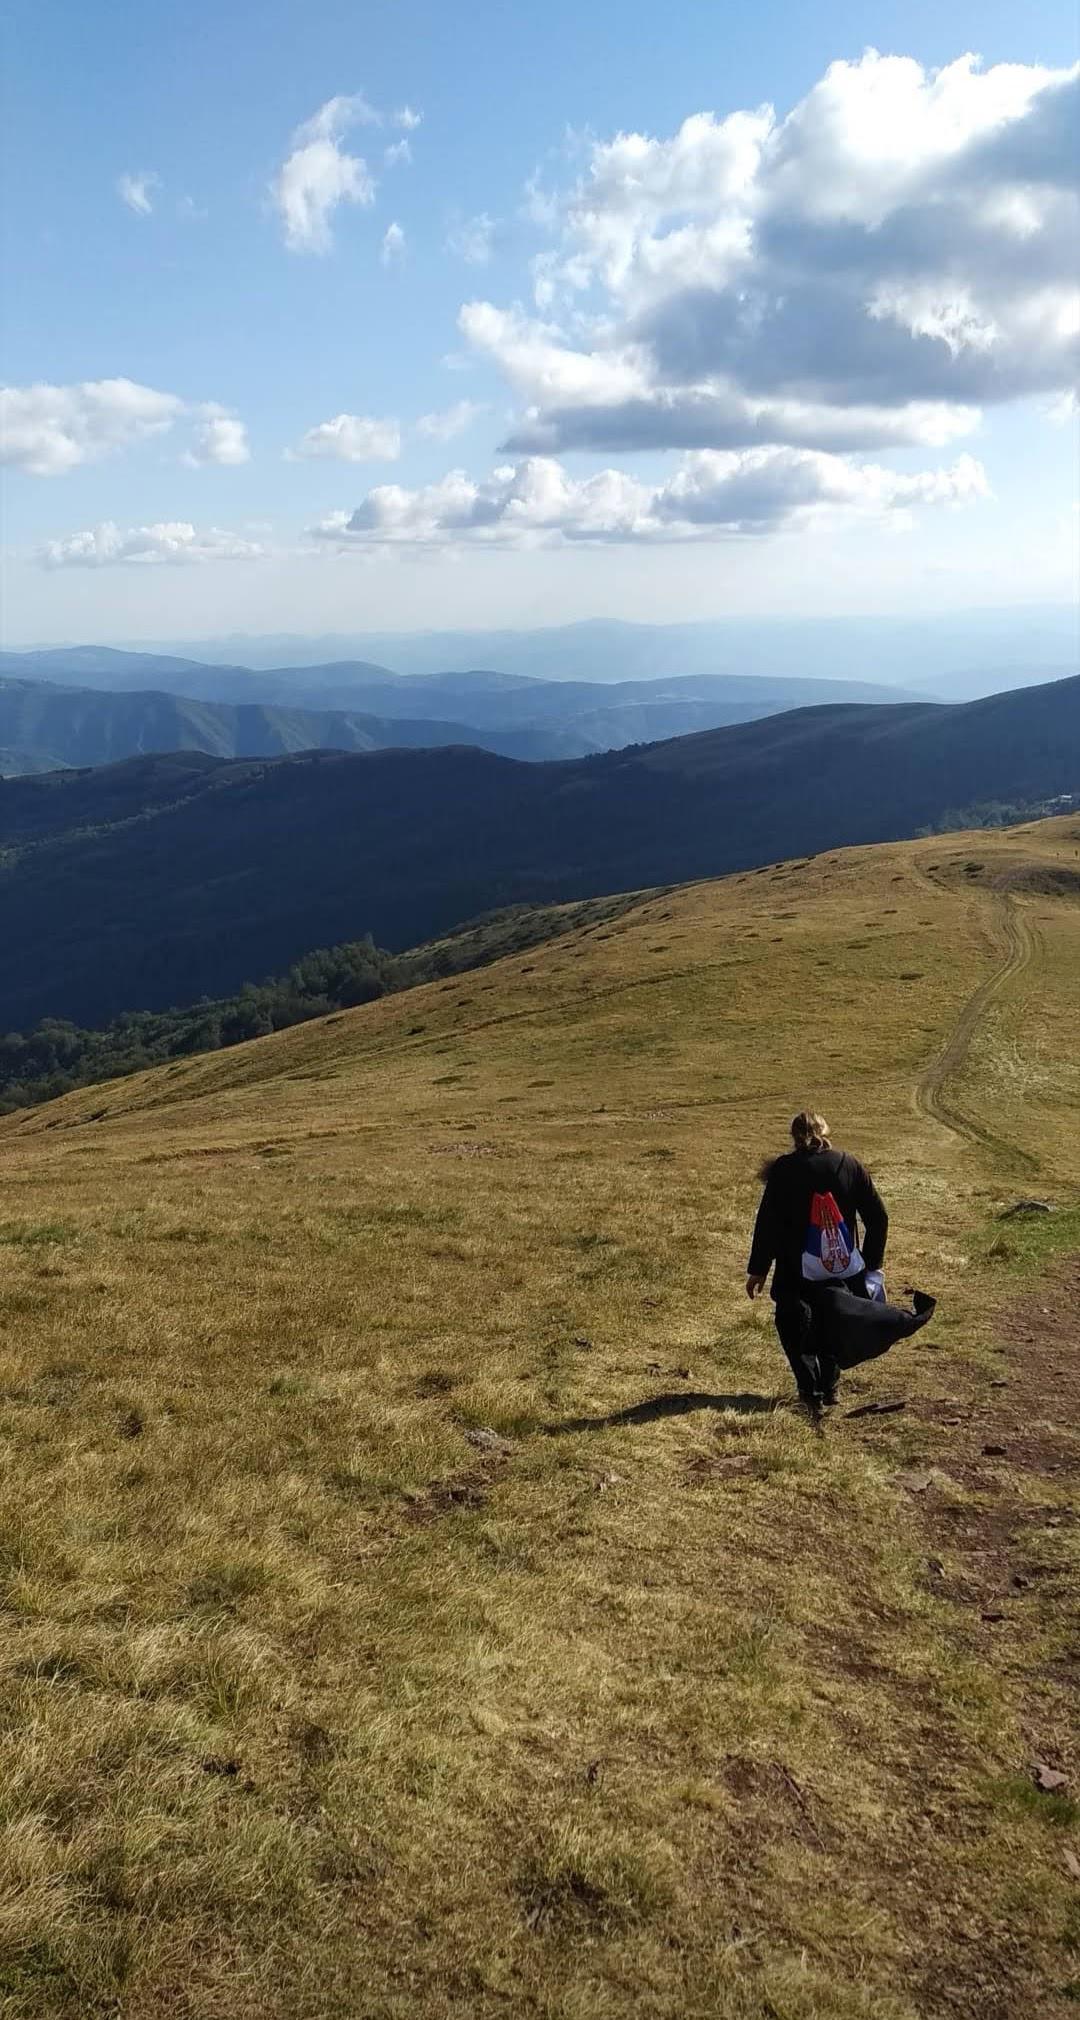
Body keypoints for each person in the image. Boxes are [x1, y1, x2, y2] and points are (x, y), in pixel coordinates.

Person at [746, 1109, 935, 1413]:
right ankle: (830, 1386)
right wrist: (871, 1263)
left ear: (794, 1136)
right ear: (825, 1131)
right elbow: (878, 1217)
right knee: (836, 1322)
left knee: (794, 1324)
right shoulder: (849, 1165)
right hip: (842, 1265)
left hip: (795, 1268)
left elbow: (768, 1222)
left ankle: (809, 1390)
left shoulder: (783, 1169)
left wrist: (758, 1270)